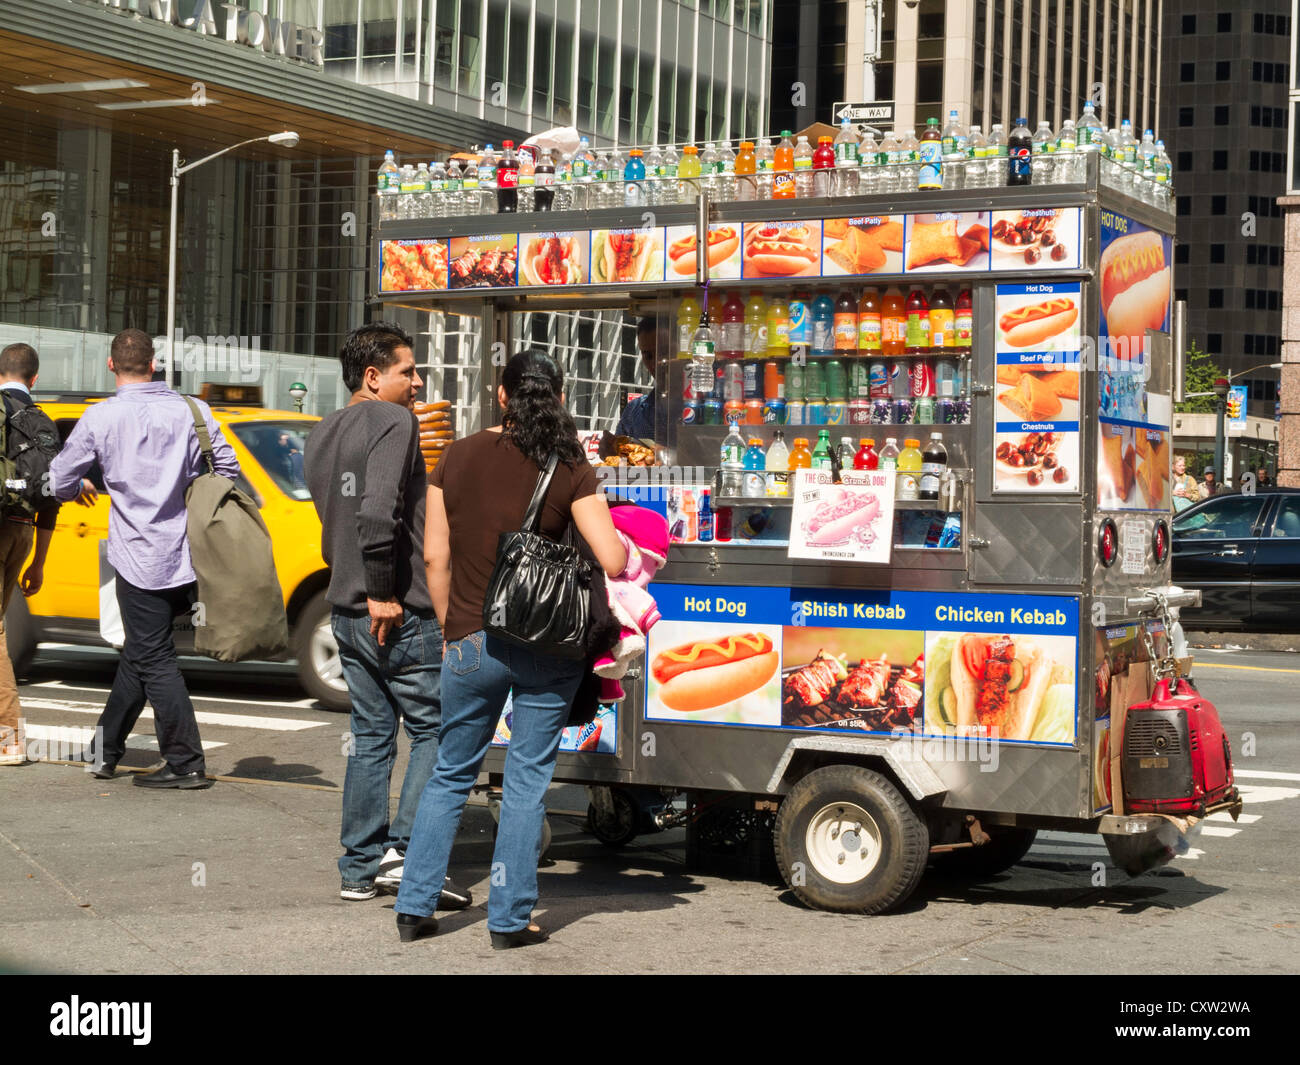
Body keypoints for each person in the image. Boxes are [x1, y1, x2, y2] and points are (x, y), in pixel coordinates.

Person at [395, 349, 626, 948]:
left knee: (450, 772)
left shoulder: (457, 455)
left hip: (470, 637)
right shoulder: (569, 462)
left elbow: (434, 557)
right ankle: (508, 921)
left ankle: (414, 907)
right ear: (558, 400)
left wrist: (453, 631)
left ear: (501, 395)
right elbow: (614, 559)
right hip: (546, 643)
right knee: (526, 780)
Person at [303, 322, 470, 908]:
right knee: (436, 729)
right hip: (394, 610)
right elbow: (377, 516)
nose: (419, 383)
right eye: (408, 371)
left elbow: (339, 518)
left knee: (372, 735)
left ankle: (358, 869)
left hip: (345, 609)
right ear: (373, 378)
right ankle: (406, 854)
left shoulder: (324, 430)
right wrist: (383, 591)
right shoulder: (393, 421)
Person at [48, 329, 237, 789]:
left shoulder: (100, 418)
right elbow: (228, 471)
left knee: (154, 658)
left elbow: (58, 482)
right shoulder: (194, 410)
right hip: (191, 557)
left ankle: (186, 761)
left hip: (140, 560)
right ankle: (105, 750)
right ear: (154, 364)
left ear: (111, 366)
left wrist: (80, 489)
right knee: (140, 652)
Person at [0, 344, 94, 766]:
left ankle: (9, 737)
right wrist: (38, 560)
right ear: (33, 379)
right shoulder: (42, 421)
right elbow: (52, 495)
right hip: (21, 533)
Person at [614, 315, 671, 440]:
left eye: (664, 352)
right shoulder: (633, 412)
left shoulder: (703, 407)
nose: (656, 363)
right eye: (648, 356)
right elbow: (618, 457)